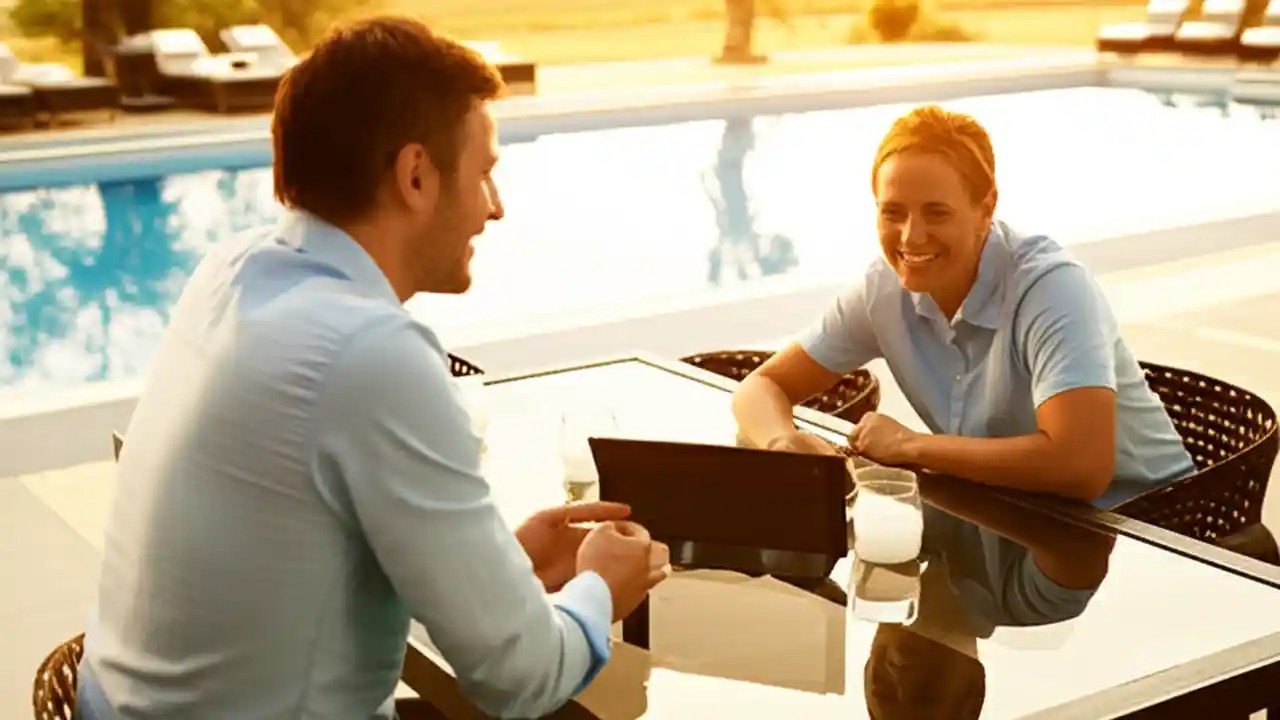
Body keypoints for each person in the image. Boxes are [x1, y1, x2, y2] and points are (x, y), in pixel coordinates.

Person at [76, 17, 669, 720]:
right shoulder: (369, 352)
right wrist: (600, 588)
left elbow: (296, 551)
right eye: (484, 174)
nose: (495, 208)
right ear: (416, 175)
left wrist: (496, 567)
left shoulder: (231, 273)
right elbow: (520, 677)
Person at [732, 104, 1195, 506]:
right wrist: (781, 441)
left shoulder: (1052, 288)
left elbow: (1080, 466)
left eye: (937, 212)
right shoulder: (883, 290)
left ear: (985, 207)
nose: (911, 237)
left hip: (1157, 527)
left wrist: (914, 447)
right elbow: (761, 386)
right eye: (893, 212)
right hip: (1016, 515)